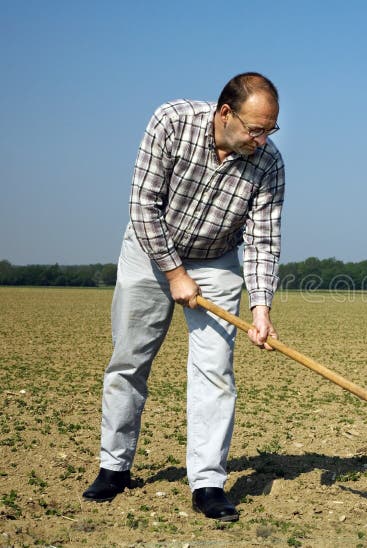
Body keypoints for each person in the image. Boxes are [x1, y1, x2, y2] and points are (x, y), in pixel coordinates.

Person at [82, 72, 285, 522]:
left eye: (270, 130)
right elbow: (143, 206)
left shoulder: (269, 163)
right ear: (225, 113)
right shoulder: (171, 121)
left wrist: (261, 308)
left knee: (215, 371)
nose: (262, 140)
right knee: (129, 360)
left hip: (217, 259)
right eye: (256, 129)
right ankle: (114, 467)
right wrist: (174, 273)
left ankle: (208, 483)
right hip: (150, 250)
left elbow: (263, 241)